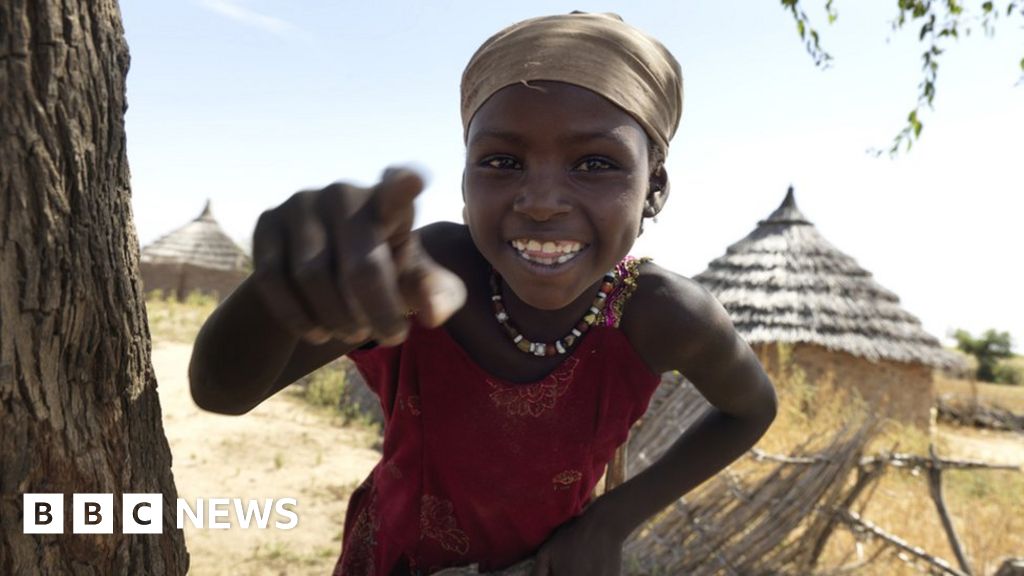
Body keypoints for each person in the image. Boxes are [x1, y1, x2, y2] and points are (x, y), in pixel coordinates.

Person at [189, 11, 777, 576]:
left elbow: (751, 409)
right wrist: (275, 287)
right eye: (502, 161)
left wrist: (609, 522)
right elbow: (223, 393)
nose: (540, 201)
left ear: (655, 187)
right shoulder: (428, 275)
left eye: (595, 164)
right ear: (466, 179)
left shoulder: (662, 314)